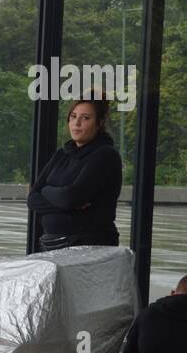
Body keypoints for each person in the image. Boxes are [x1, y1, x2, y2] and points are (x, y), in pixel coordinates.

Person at [27, 95, 123, 250]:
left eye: (85, 118)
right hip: (52, 244)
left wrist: (46, 191)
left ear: (99, 123)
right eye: (73, 117)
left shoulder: (105, 155)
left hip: (89, 246)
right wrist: (68, 205)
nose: (77, 123)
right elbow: (32, 198)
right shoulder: (62, 154)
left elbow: (70, 197)